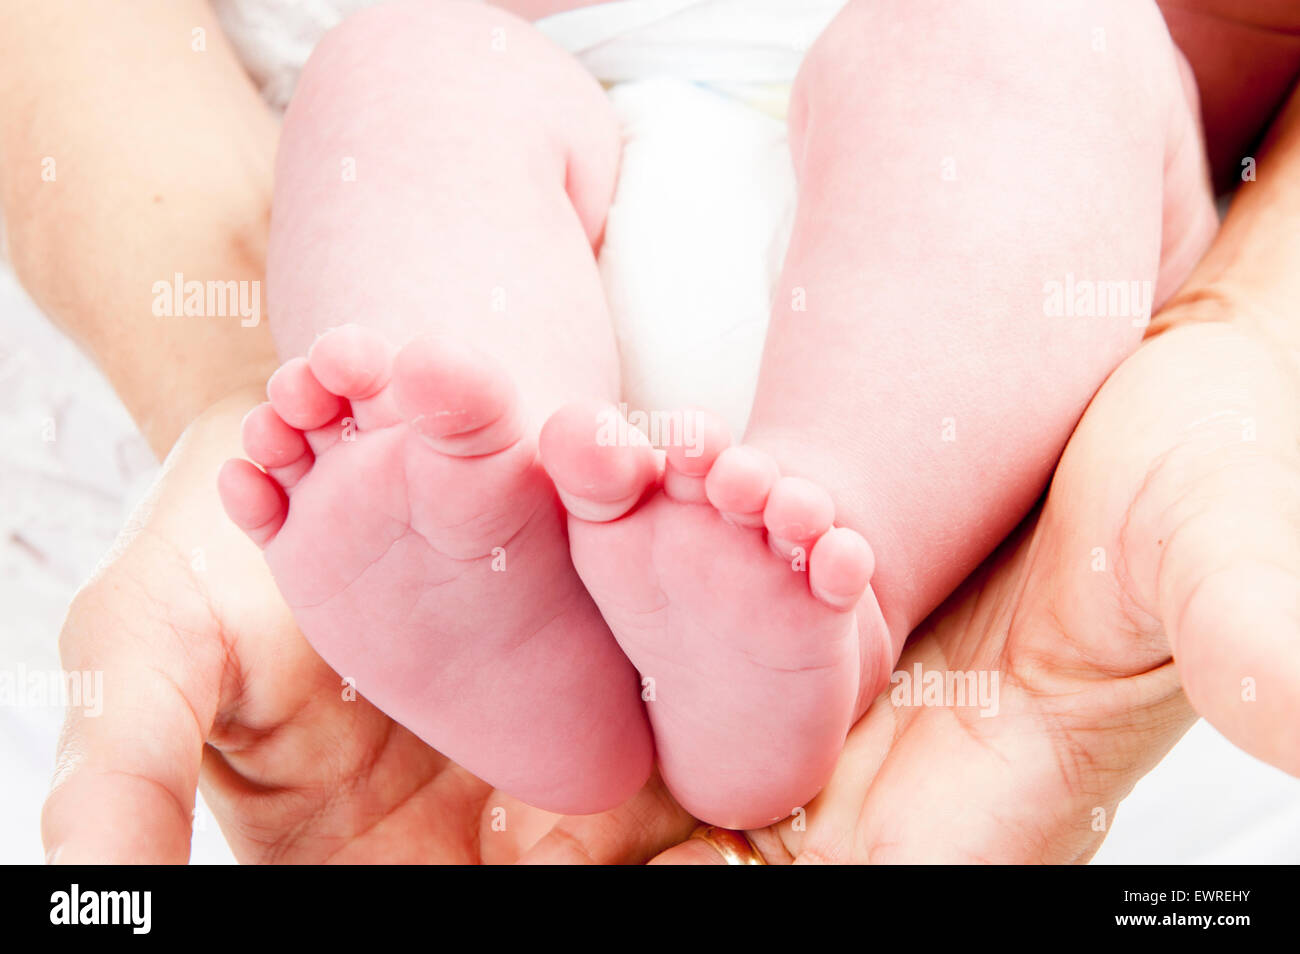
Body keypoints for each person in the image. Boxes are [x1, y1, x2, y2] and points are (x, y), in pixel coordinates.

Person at [0, 0, 1293, 863]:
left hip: (942, 298)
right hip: (548, 224)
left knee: (1027, 34)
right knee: (399, 68)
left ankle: (834, 570)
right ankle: (503, 571)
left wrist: (1248, 334)